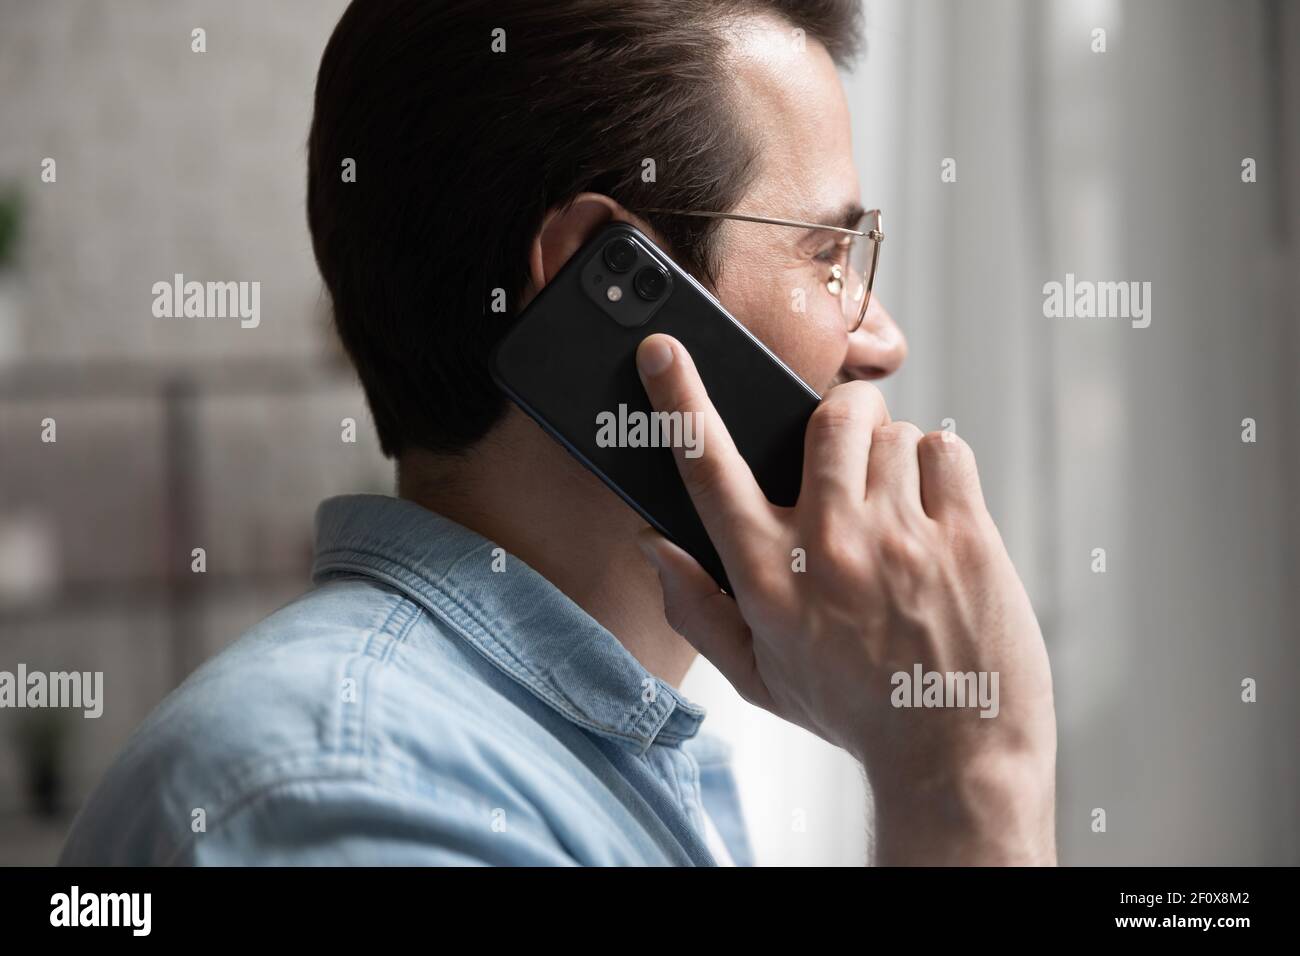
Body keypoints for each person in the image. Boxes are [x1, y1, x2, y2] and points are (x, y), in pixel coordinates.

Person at [60, 0, 1055, 866]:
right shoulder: (350, 788)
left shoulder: (631, 756)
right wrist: (967, 784)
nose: (881, 337)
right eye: (828, 254)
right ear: (607, 290)